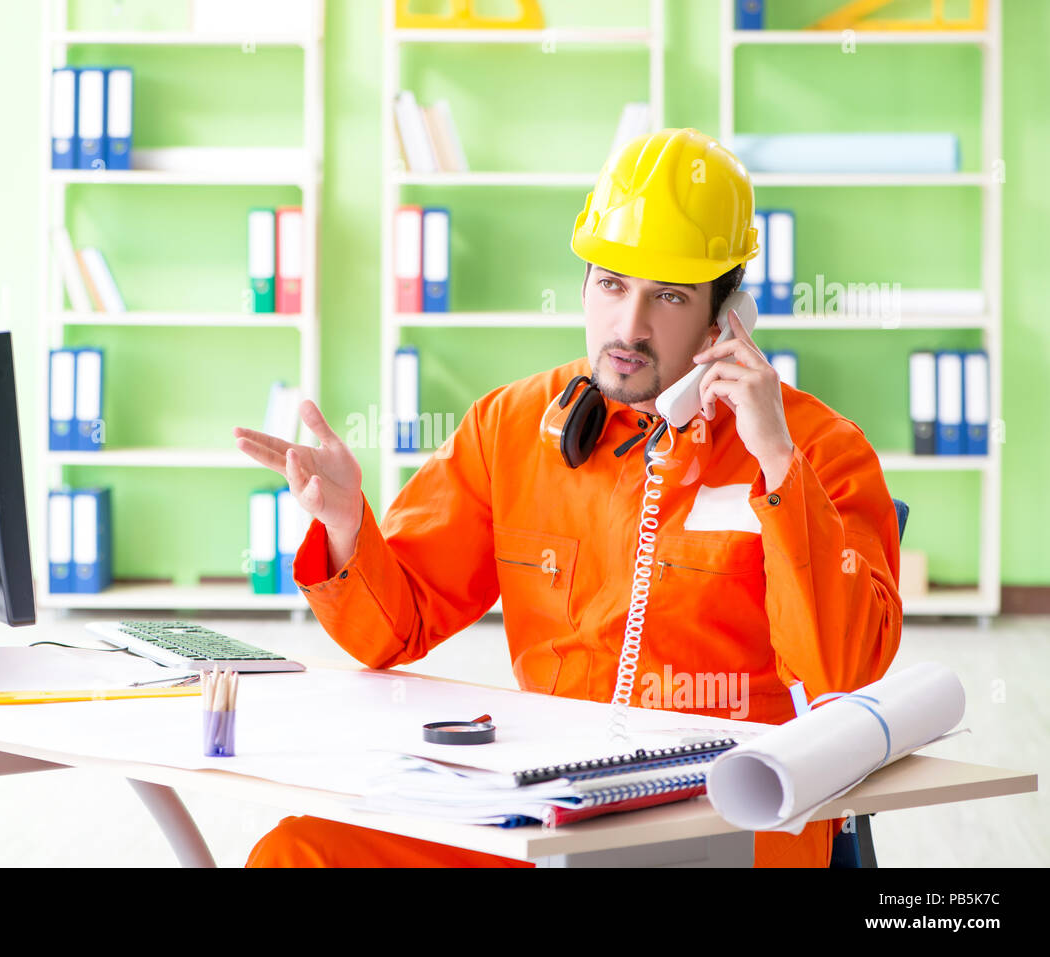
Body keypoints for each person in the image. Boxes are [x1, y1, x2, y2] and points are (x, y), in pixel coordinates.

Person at [233, 127, 902, 868]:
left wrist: (775, 462)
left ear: (726, 315)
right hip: (549, 809)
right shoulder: (513, 425)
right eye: (612, 284)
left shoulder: (820, 452)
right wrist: (346, 527)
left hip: (727, 828)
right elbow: (392, 629)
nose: (629, 327)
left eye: (669, 297)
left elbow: (841, 673)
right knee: (298, 852)